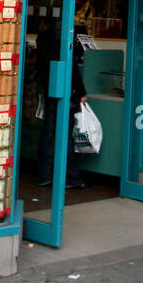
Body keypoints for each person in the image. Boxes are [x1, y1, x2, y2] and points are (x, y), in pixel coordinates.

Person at [35, 17, 90, 190]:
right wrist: (81, 92)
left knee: (49, 133)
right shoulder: (62, 37)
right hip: (64, 92)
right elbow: (71, 67)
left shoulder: (43, 39)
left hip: (49, 90)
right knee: (65, 135)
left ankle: (45, 174)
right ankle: (70, 176)